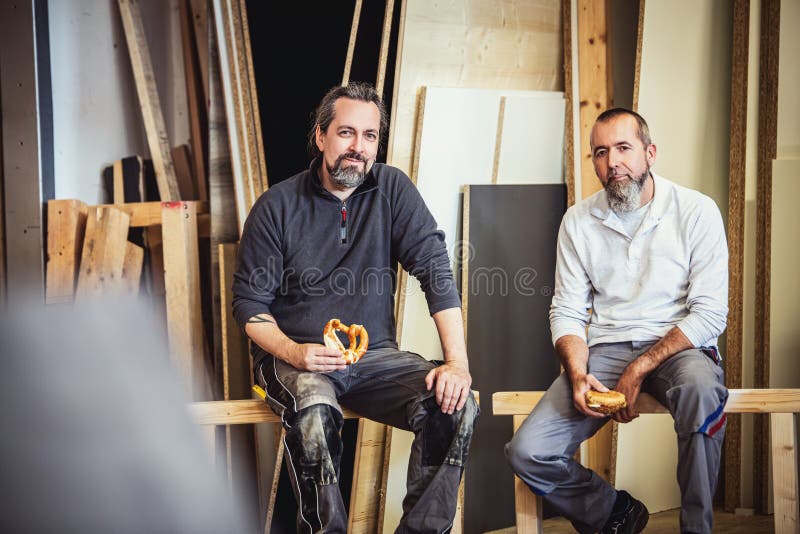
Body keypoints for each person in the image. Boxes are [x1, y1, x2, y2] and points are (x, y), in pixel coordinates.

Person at [232, 82, 478, 533]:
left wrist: (457, 364)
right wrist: (295, 352)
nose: (358, 148)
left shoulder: (392, 190)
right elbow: (250, 307)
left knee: (455, 405)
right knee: (313, 409)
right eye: (346, 133)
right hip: (293, 359)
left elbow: (436, 273)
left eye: (369, 136)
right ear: (321, 137)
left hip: (373, 357)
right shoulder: (276, 207)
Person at [505, 108, 728, 534]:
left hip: (680, 347)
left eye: (624, 148)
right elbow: (567, 310)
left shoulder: (696, 211)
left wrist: (640, 368)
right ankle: (613, 512)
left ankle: (697, 529)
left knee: (702, 392)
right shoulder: (577, 221)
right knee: (527, 451)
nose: (613, 163)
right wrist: (577, 372)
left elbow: (710, 312)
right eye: (601, 153)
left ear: (650, 152)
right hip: (605, 351)